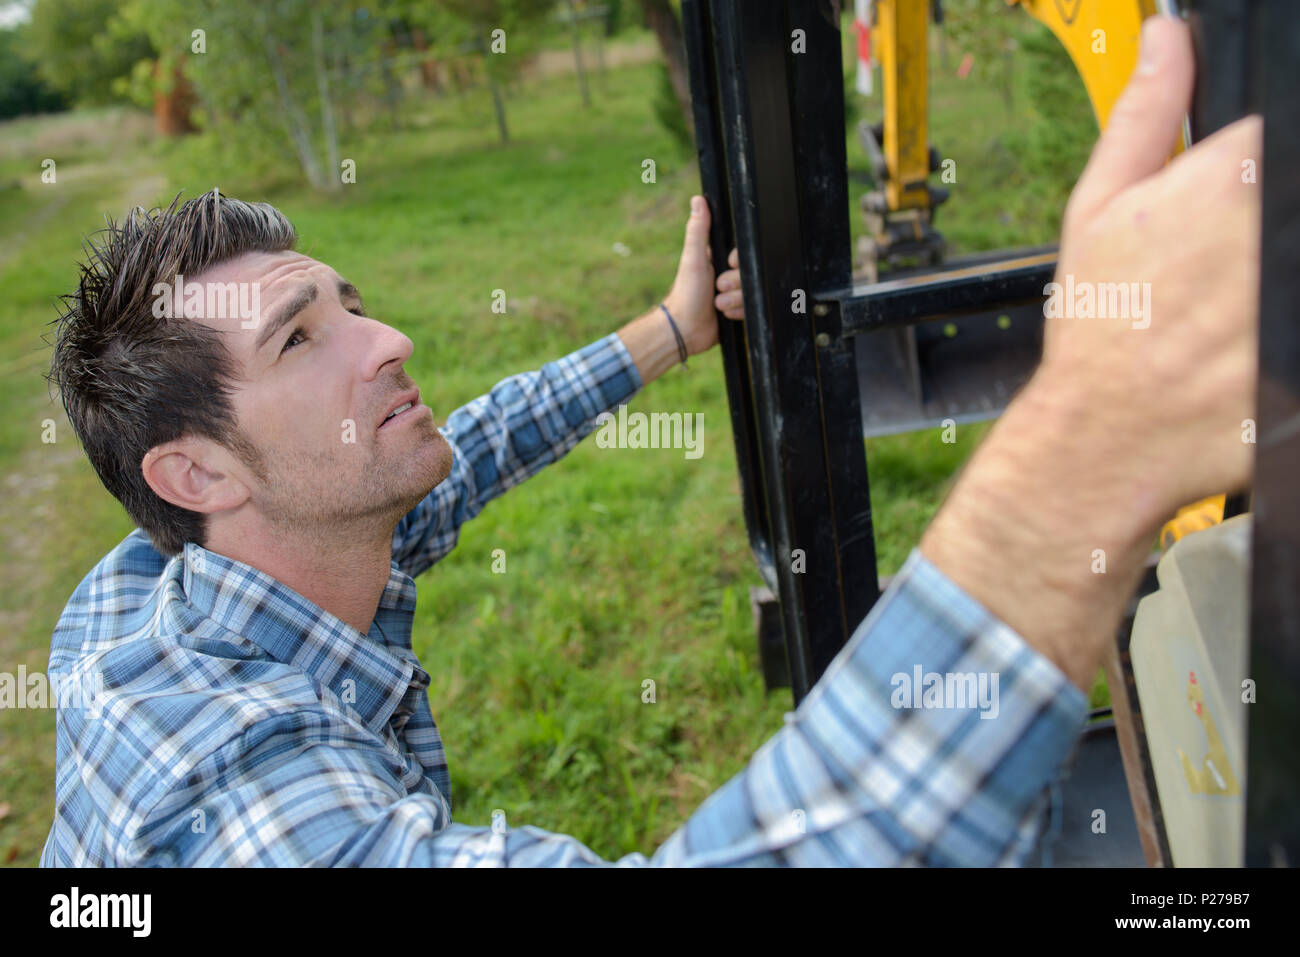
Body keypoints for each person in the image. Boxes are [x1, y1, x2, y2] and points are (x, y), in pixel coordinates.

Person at [40, 14, 1258, 866]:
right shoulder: (233, 795)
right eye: (301, 341)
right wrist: (1090, 453)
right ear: (192, 471)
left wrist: (671, 333)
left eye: (351, 303)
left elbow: (482, 441)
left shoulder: (188, 564)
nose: (391, 340)